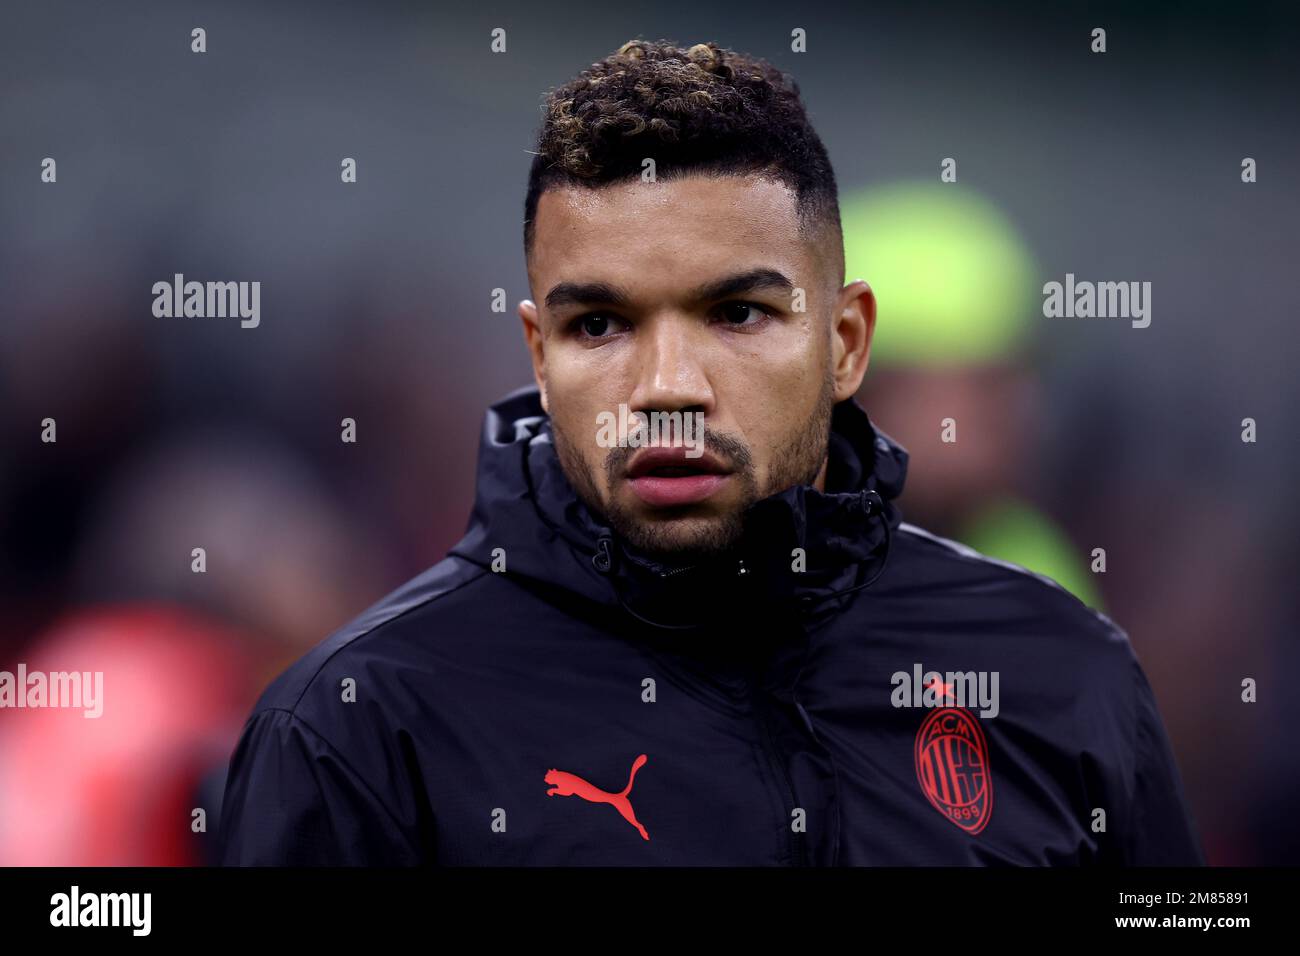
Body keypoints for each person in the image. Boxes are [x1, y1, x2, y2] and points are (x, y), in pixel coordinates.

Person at [216, 38, 1203, 865]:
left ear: (845, 342)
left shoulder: (1065, 670)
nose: (665, 387)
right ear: (539, 356)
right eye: (600, 325)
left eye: (736, 312)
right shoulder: (357, 727)